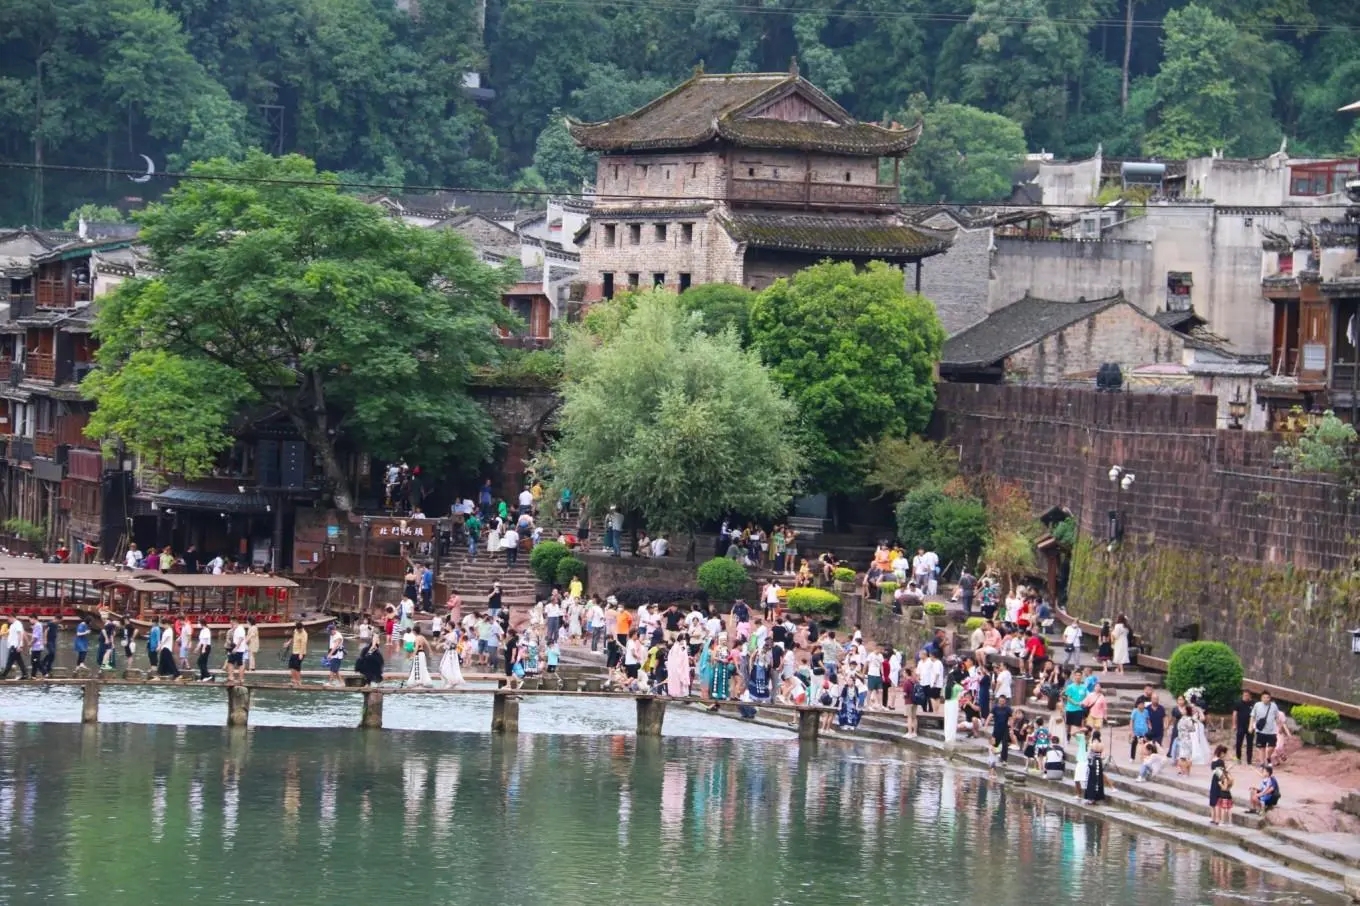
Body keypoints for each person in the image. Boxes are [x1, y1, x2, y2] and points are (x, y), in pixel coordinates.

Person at [1250, 692, 1286, 767]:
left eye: (1268, 697)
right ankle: (1262, 763)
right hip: (1261, 730)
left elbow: (1277, 717)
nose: (1266, 699)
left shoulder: (1273, 706)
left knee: (1272, 747)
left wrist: (1279, 727)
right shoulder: (1257, 705)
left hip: (1272, 731)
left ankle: (1268, 756)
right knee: (1261, 747)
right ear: (1261, 698)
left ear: (1270, 698)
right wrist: (1250, 726)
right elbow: (1252, 716)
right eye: (1264, 697)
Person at [1209, 744, 1234, 825]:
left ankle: (1213, 818)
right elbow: (1223, 772)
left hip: (1214, 780)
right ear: (1222, 753)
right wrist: (1230, 767)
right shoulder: (1220, 761)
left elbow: (1215, 771)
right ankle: (1218, 819)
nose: (1225, 755)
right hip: (1220, 780)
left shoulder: (1213, 760)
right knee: (1218, 800)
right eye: (1224, 753)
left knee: (1213, 799)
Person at [1084, 729, 1107, 803]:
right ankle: (1097, 797)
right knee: (1098, 779)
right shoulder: (1101, 744)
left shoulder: (1092, 744)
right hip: (1099, 762)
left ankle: (1091, 797)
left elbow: (1089, 753)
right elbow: (1103, 755)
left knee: (1092, 780)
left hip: (1093, 762)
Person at [1234, 691, 1256, 765]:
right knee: (1238, 743)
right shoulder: (1238, 703)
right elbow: (1235, 714)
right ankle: (1238, 758)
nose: (1245, 697)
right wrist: (1234, 724)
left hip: (1250, 726)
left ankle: (1249, 760)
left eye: (1247, 695)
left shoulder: (1253, 703)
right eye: (1244, 695)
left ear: (1250, 696)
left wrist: (1254, 725)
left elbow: (1256, 714)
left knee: (1250, 744)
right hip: (1241, 726)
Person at [287, 620, 308, 687]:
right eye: (298, 630)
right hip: (294, 651)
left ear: (302, 628)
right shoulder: (295, 630)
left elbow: (303, 644)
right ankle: (293, 680)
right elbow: (293, 637)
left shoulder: (304, 634)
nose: (299, 631)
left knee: (297, 667)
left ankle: (299, 682)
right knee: (291, 666)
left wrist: (301, 654)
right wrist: (288, 643)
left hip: (300, 652)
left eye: (300, 630)